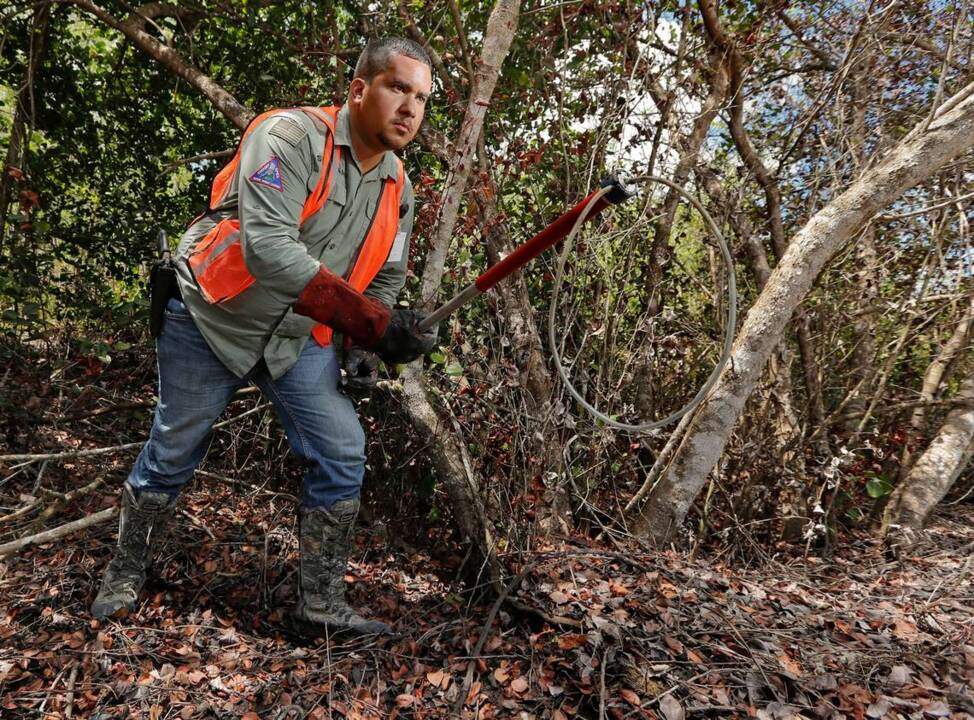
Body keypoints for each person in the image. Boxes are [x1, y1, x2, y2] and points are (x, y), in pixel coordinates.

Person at [90, 37, 437, 637]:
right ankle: (123, 573)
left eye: (422, 98)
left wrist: (361, 343)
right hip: (210, 321)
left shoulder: (397, 188)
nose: (410, 108)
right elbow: (272, 252)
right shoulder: (287, 138)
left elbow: (386, 274)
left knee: (342, 450)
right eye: (397, 88)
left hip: (295, 340)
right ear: (359, 90)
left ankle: (321, 605)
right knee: (173, 451)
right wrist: (374, 326)